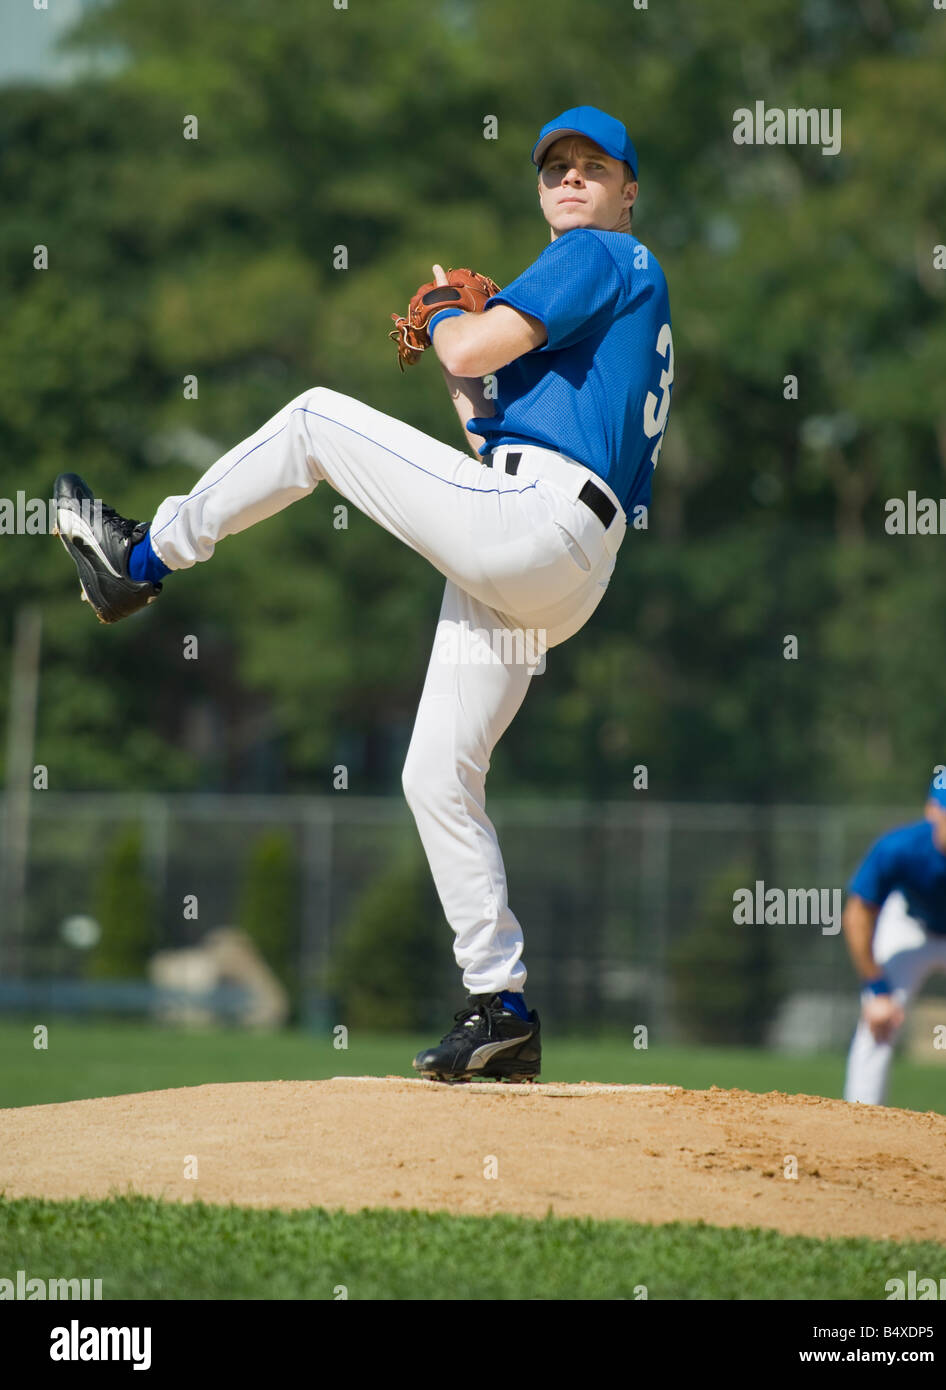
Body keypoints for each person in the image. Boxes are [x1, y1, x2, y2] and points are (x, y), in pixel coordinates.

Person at [52, 105, 674, 1082]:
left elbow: (473, 351)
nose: (570, 179)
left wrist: (451, 326)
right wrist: (450, 338)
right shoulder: (611, 298)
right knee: (435, 774)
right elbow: (486, 428)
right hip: (551, 554)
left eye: (592, 167)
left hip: (540, 524)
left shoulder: (597, 253)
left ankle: (139, 559)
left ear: (628, 190)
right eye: (554, 165)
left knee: (310, 419)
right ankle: (502, 1006)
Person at [843, 765, 946, 1104]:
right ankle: (858, 1122)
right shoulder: (899, 849)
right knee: (879, 1021)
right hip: (908, 929)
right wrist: (875, 987)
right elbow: (858, 915)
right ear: (933, 811)